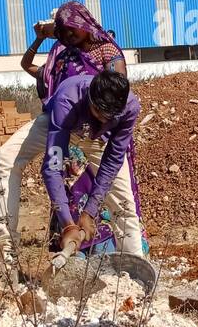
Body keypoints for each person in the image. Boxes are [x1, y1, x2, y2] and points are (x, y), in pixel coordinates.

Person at [0, 0, 126, 256]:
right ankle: (6, 251)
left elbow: (118, 95)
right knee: (5, 158)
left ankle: (133, 263)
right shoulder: (61, 53)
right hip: (60, 121)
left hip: (97, 127)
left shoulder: (107, 51)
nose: (68, 33)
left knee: (119, 195)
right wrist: (41, 37)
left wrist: (105, 127)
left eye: (72, 28)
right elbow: (30, 65)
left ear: (85, 24)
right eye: (64, 30)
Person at [41, 70, 157, 292]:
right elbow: (52, 166)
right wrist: (68, 224)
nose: (104, 119)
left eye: (109, 117)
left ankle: (136, 277)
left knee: (124, 203)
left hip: (98, 139)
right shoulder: (68, 97)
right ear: (90, 99)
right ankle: (7, 260)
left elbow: (113, 159)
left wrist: (90, 211)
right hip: (62, 126)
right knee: (5, 160)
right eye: (99, 112)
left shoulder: (130, 107)